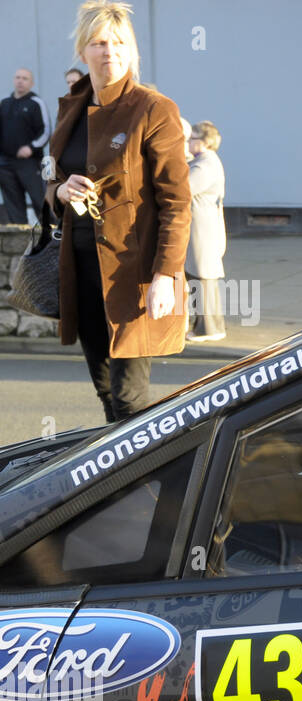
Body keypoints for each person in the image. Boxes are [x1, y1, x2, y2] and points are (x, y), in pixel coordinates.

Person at [46, 1, 190, 422]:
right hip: (82, 268)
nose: (110, 51)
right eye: (99, 42)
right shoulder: (71, 107)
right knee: (105, 389)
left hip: (135, 272)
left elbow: (178, 202)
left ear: (132, 51)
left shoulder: (153, 108)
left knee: (130, 400)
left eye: (119, 42)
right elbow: (49, 181)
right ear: (82, 51)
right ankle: (123, 484)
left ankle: (144, 484)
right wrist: (60, 191)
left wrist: (166, 275)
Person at [185, 119, 226, 342]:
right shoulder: (205, 161)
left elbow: (184, 190)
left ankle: (206, 329)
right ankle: (210, 327)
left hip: (200, 228)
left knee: (200, 277)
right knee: (200, 276)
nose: (189, 142)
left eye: (192, 139)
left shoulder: (204, 165)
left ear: (203, 142)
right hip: (202, 226)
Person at [0, 68, 51, 224]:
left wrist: (31, 147)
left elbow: (46, 130)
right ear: (14, 80)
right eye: (18, 77)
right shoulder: (5, 103)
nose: (20, 81)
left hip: (30, 163)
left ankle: (51, 238)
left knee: (40, 201)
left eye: (25, 78)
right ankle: (20, 243)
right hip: (6, 164)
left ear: (31, 83)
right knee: (13, 205)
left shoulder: (36, 103)